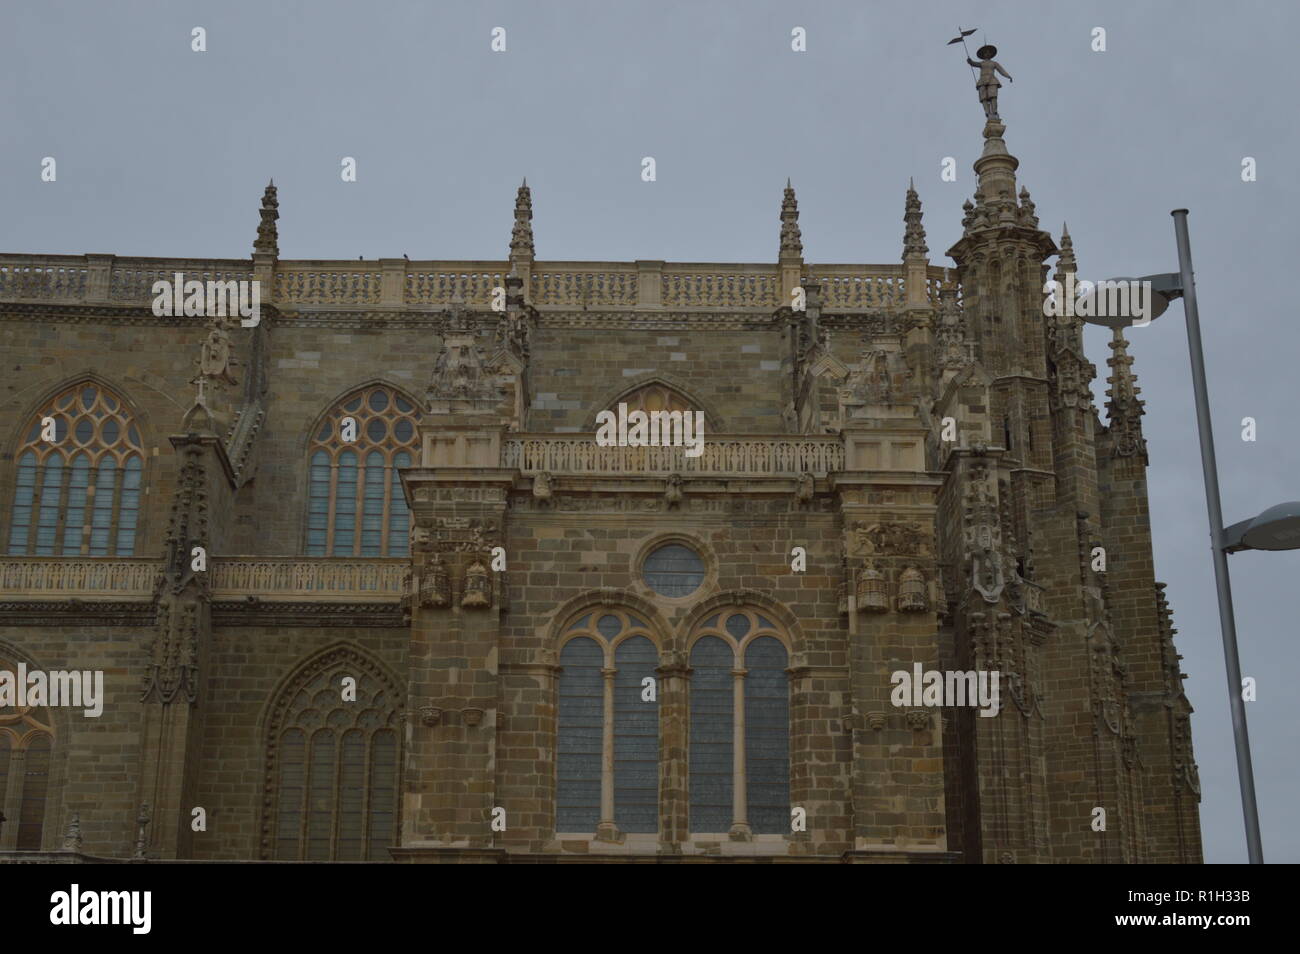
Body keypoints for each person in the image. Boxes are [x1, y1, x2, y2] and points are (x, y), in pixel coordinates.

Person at [967, 45, 1013, 121]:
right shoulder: (982, 63)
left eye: (989, 52)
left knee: (993, 97)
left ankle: (994, 112)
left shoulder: (994, 63)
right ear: (983, 55)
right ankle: (988, 112)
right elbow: (974, 63)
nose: (987, 54)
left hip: (992, 80)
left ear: (991, 54)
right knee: (983, 98)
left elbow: (1001, 70)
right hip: (982, 81)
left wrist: (1008, 76)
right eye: (986, 53)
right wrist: (970, 61)